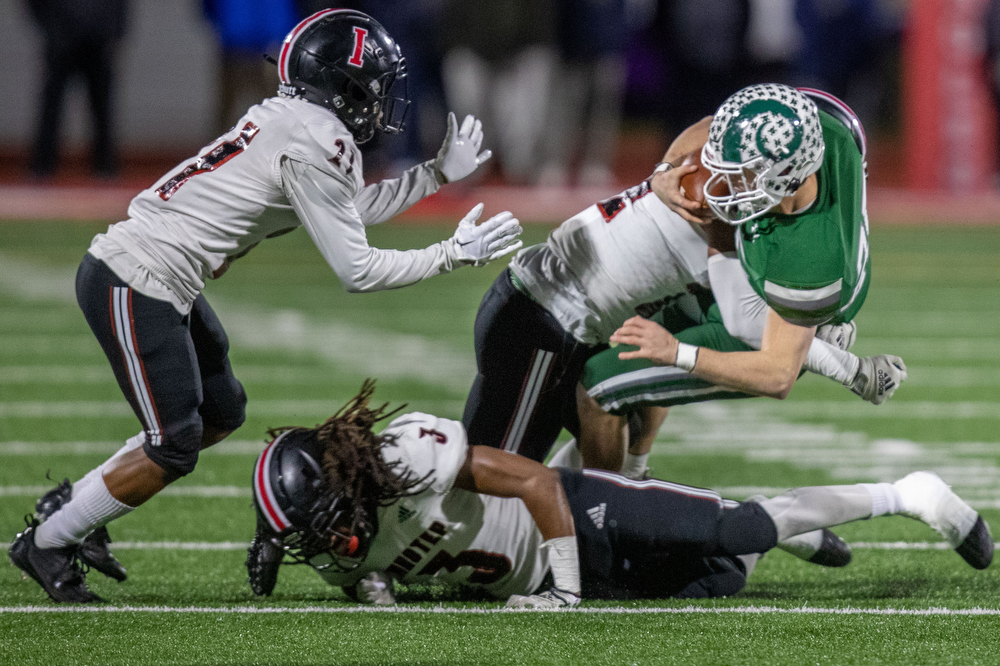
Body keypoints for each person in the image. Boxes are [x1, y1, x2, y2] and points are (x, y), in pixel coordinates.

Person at [8, 9, 522, 604]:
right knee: (172, 444)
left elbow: (350, 210)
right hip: (134, 276)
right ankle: (48, 538)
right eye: (373, 86)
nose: (381, 100)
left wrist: (433, 176)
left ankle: (77, 510)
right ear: (344, 85)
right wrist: (450, 254)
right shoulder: (314, 141)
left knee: (222, 410)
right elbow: (357, 270)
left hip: (162, 277)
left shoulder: (301, 123)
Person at [246, 382, 993, 607]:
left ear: (349, 477)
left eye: (318, 524)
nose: (325, 543)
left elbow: (537, 481)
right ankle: (783, 529)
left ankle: (909, 493)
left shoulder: (406, 458)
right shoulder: (335, 552)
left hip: (573, 513)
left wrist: (564, 591)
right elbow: (352, 564)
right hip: (540, 572)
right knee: (723, 577)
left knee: (733, 535)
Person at [460, 87, 902, 467]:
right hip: (543, 319)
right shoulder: (734, 198)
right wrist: (663, 174)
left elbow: (766, 349)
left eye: (739, 172)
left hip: (570, 316)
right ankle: (611, 522)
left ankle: (618, 513)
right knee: (495, 477)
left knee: (607, 414)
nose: (717, 178)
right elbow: (711, 130)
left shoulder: (789, 213)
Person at [25, 0, 128, 179]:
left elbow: (119, 5)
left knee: (101, 108)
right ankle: (41, 167)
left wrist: (115, 33)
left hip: (98, 42)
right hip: (61, 40)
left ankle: (105, 167)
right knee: (51, 108)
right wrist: (51, 29)